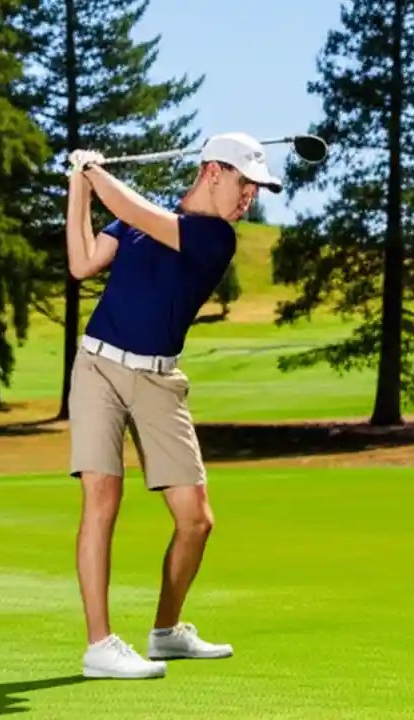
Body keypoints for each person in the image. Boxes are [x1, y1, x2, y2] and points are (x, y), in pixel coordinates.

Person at [63, 132, 282, 679]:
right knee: (103, 494)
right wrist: (77, 186)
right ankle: (100, 646)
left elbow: (130, 206)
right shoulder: (137, 224)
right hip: (99, 367)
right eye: (244, 183)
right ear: (213, 172)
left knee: (196, 519)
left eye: (255, 190)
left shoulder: (214, 238)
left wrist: (93, 173)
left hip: (160, 380)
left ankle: (165, 633)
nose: (248, 198)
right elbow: (83, 262)